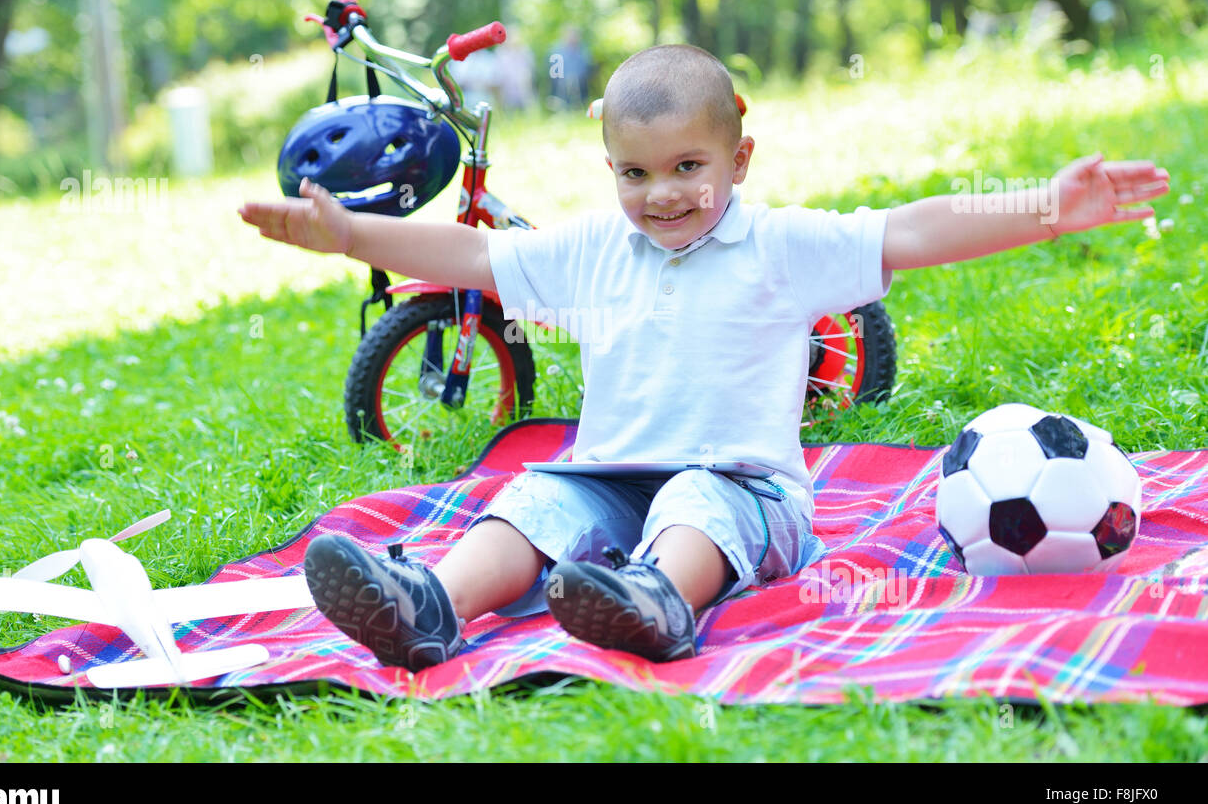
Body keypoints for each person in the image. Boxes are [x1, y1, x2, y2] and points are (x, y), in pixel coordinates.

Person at [238, 44, 1169, 671]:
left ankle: (659, 602)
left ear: (741, 159)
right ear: (611, 173)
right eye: (636, 173)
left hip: (746, 494)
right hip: (614, 479)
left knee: (692, 500)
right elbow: (474, 258)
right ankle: (427, 603)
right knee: (537, 499)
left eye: (689, 167)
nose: (663, 194)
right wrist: (352, 234)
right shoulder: (595, 247)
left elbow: (911, 230)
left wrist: (1043, 207)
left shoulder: (780, 246)